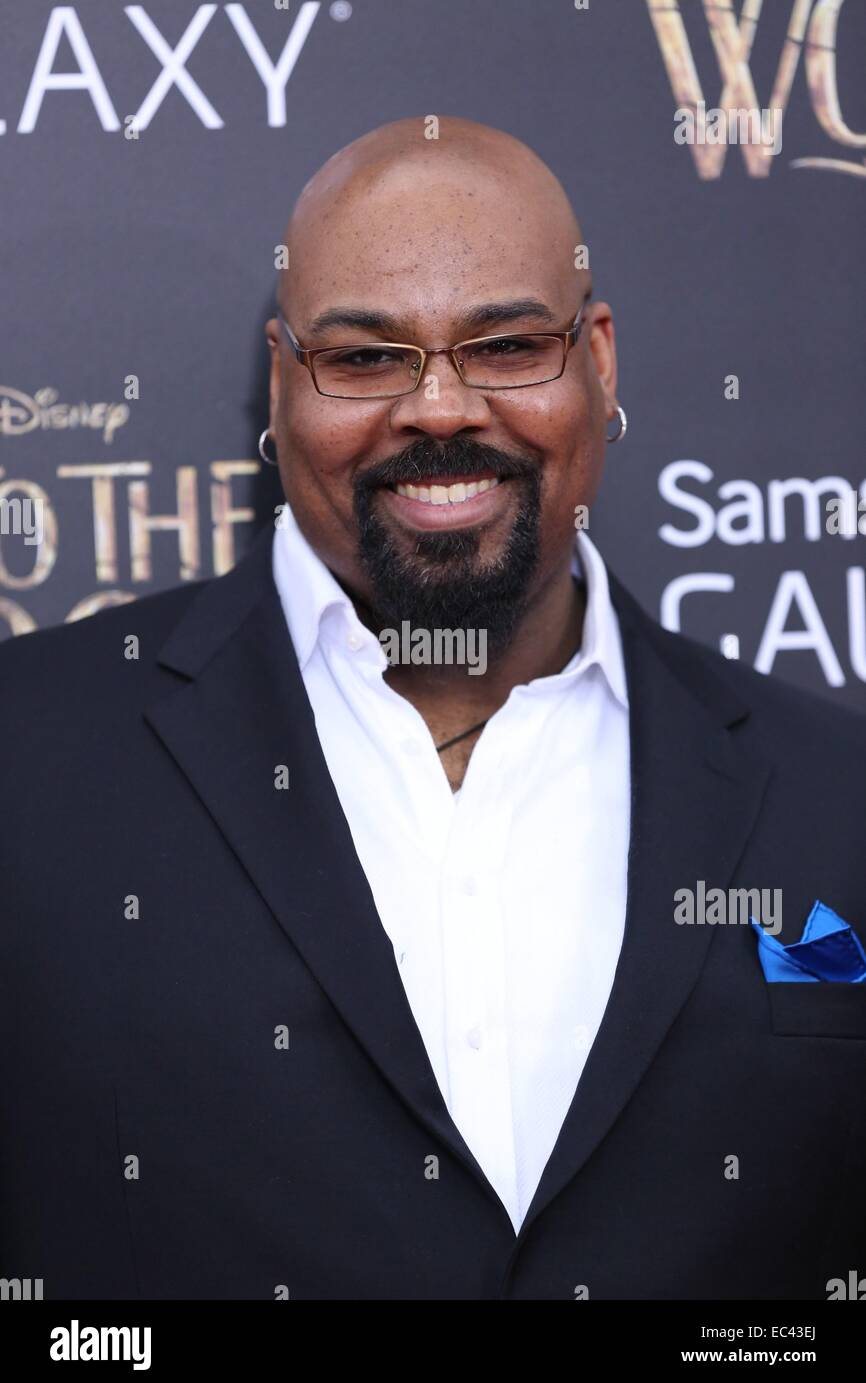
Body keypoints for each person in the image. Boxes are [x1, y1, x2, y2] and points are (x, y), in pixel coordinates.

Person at [1, 117, 864, 1301]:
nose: (441, 408)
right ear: (280, 380)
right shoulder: (29, 762)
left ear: (597, 363)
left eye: (506, 345)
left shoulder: (833, 797)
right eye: (364, 359)